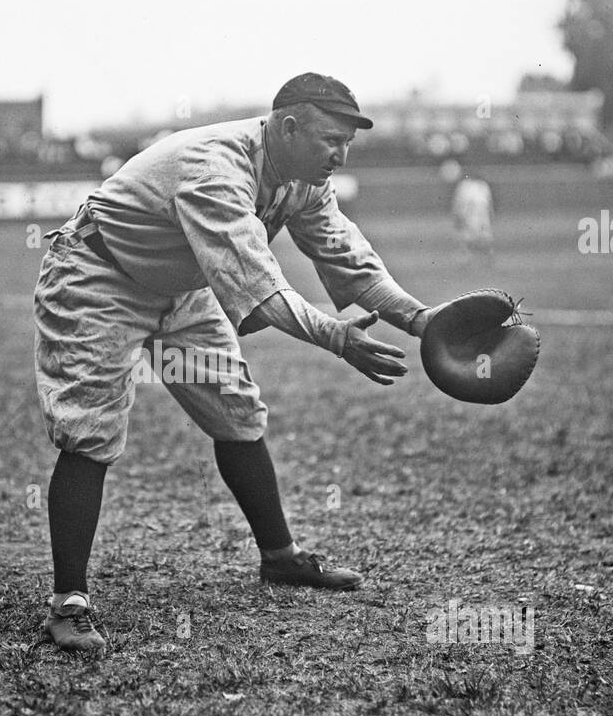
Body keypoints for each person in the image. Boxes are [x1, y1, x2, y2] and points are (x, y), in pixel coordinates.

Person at [33, 73, 439, 652]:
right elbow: (261, 287)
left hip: (181, 287)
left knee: (237, 412)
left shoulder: (303, 178)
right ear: (288, 127)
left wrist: (423, 321)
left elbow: (349, 259)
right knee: (90, 430)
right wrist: (337, 338)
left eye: (347, 143)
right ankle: (67, 603)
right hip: (98, 275)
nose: (340, 154)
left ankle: (281, 557)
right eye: (330, 139)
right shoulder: (215, 169)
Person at [451, 169, 495, 262]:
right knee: (468, 235)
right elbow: (459, 202)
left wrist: (490, 213)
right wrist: (459, 214)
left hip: (481, 212)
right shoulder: (464, 185)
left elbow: (488, 202)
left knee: (483, 235)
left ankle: (488, 255)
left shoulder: (482, 185)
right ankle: (466, 255)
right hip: (469, 212)